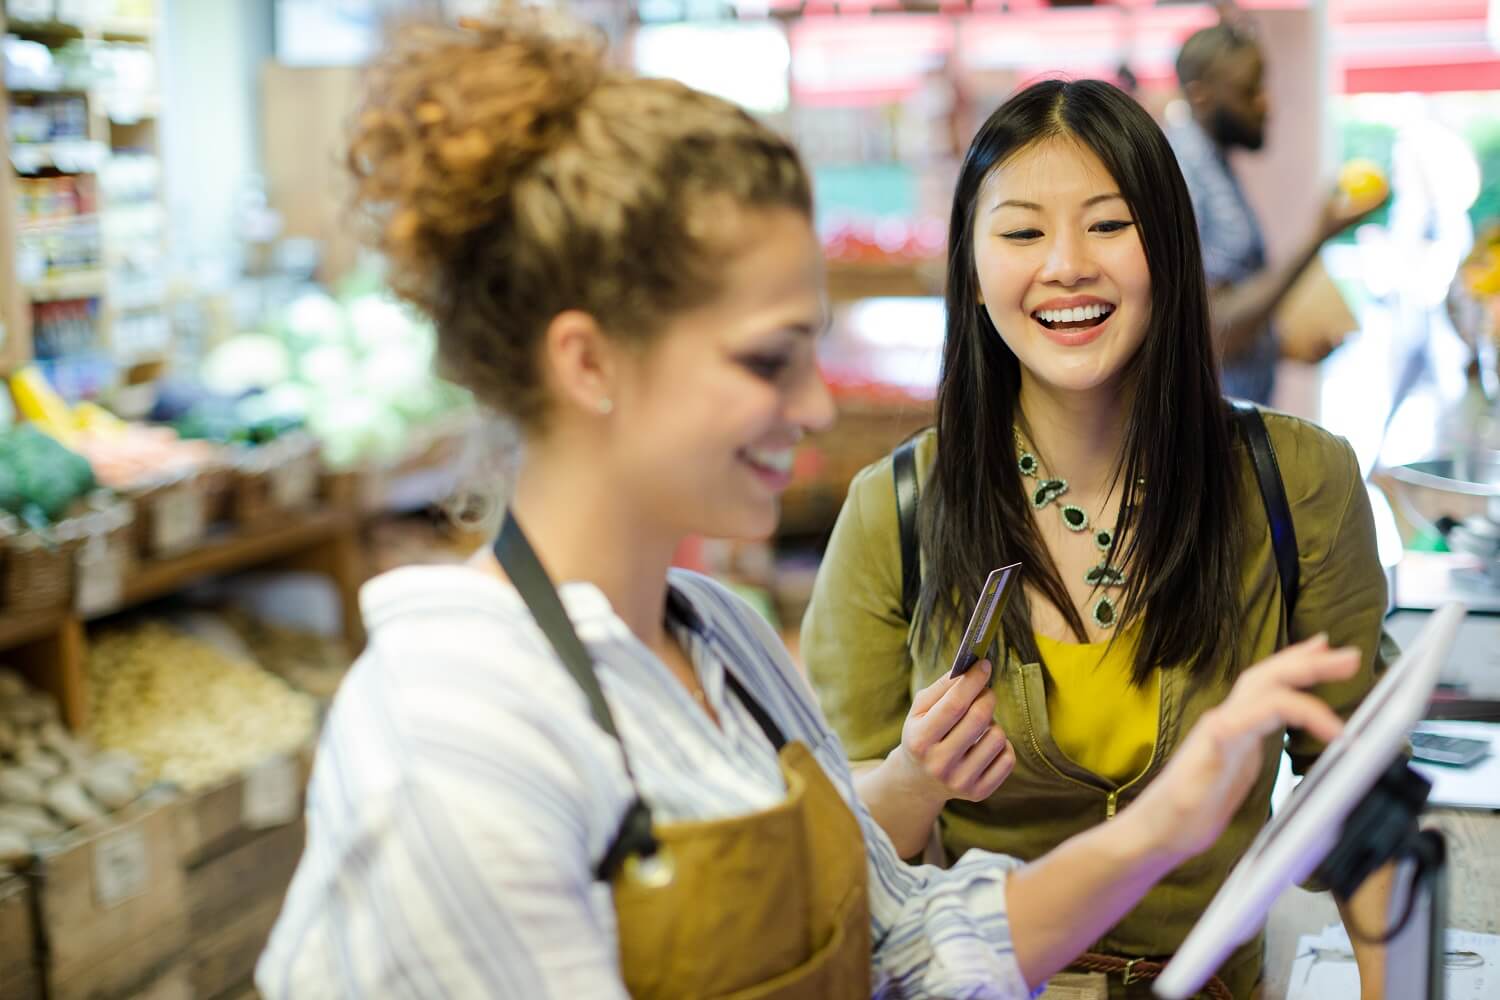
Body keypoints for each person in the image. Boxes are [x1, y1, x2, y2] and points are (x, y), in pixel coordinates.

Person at [256, 16, 1363, 999]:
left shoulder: (721, 639)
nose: (817, 402)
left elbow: (905, 939)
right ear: (590, 363)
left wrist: (1176, 817)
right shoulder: (452, 733)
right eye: (770, 357)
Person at [801, 78, 1393, 999]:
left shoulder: (1299, 482)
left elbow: (1356, 787)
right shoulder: (898, 506)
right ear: (973, 263)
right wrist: (919, 779)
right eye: (1024, 232)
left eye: (1111, 225)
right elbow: (829, 855)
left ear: (1170, 244)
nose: (1068, 266)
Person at [1168, 20, 1378, 404]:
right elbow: (1208, 331)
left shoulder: (1212, 165)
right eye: (1249, 91)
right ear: (1200, 96)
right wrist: (1319, 237)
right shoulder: (1183, 171)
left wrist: (1276, 345)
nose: (1266, 104)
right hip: (1213, 431)